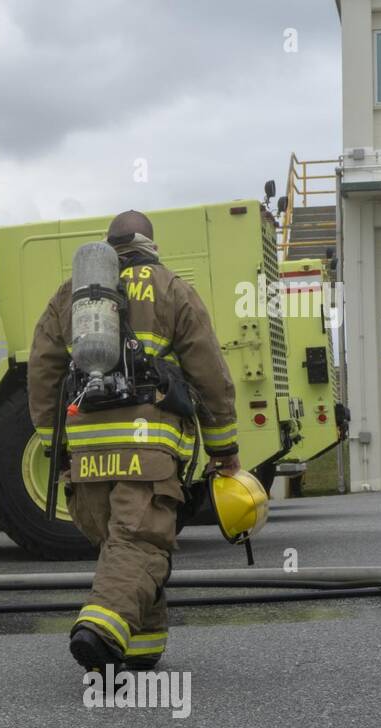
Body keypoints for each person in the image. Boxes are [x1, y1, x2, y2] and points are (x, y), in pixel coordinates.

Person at [28, 210, 240, 672]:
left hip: (86, 457)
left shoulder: (69, 297)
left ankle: (142, 649)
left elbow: (42, 372)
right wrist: (224, 448)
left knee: (123, 546)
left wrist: (55, 444)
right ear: (150, 245)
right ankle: (100, 631)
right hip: (147, 453)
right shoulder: (170, 288)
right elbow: (209, 373)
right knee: (141, 543)